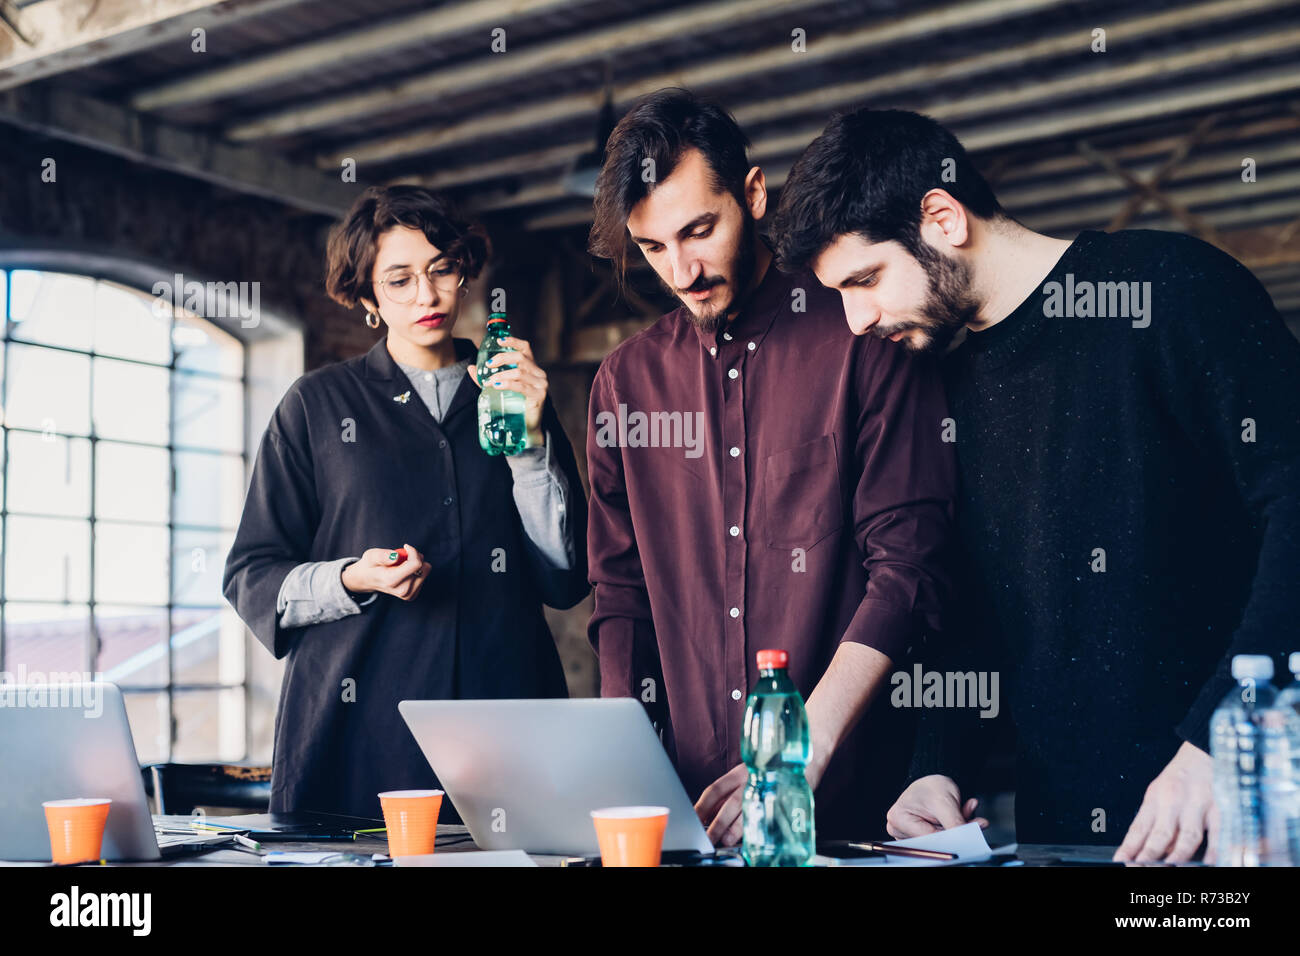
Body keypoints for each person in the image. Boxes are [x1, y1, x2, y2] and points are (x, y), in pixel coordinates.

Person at [774, 106, 1300, 862]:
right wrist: (935, 767)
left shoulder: (1176, 289)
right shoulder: (945, 391)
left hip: (1238, 822)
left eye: (866, 278)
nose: (857, 320)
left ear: (943, 217)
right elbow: (975, 612)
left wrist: (1220, 741)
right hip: (1063, 838)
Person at [584, 89, 956, 844]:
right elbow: (619, 595)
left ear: (752, 196)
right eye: (654, 248)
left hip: (855, 813)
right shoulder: (624, 385)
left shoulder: (862, 331)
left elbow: (910, 566)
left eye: (699, 230)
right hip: (689, 819)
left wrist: (798, 754)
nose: (682, 271)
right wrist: (620, 772)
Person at [223, 185, 589, 821]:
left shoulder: (512, 393)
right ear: (368, 297)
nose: (427, 296)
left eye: (442, 269)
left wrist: (530, 446)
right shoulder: (316, 406)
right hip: (357, 729)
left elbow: (564, 575)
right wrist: (349, 579)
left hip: (506, 722)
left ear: (464, 275)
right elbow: (251, 573)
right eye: (399, 280)